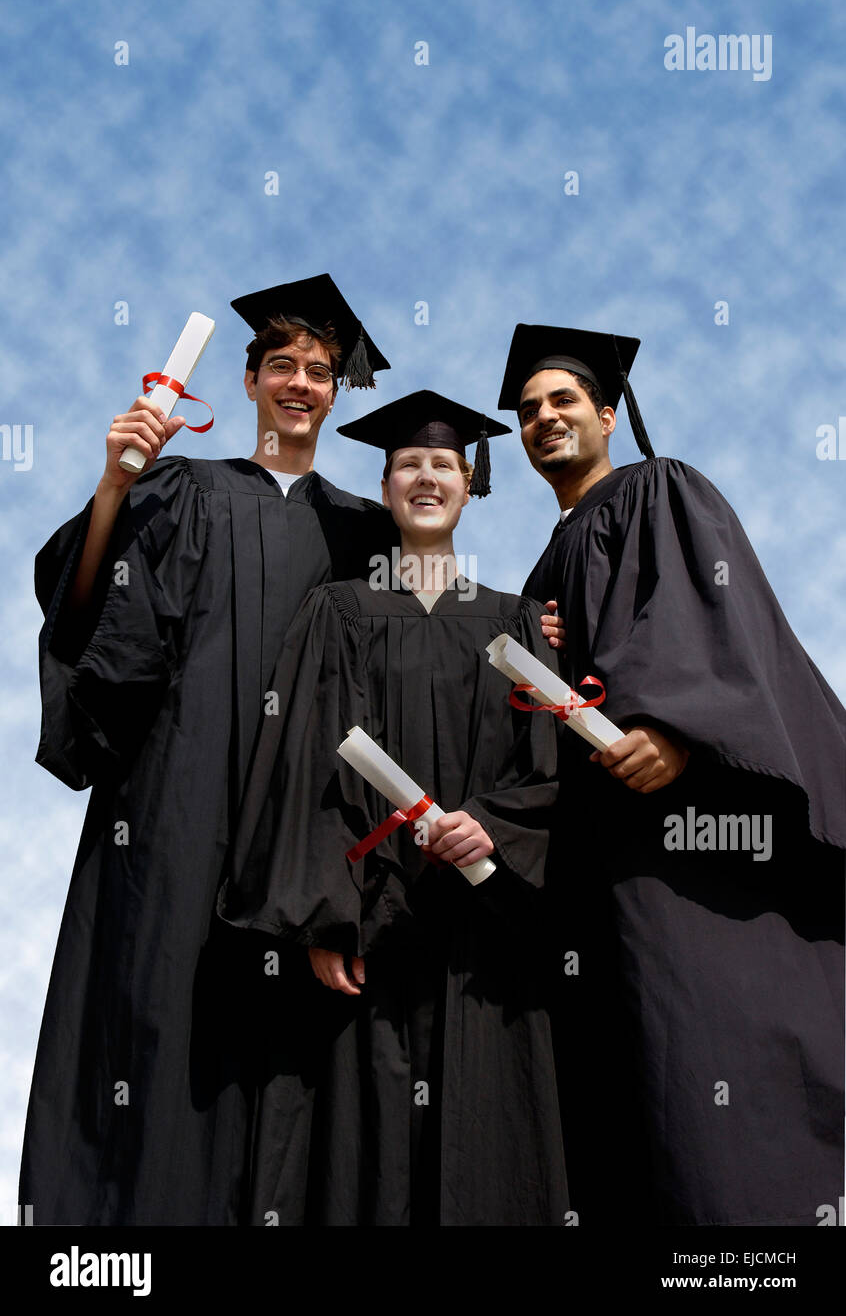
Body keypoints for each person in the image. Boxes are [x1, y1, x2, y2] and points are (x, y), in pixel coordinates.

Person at [19, 274, 400, 1225]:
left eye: (320, 369)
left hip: (300, 828)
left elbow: (416, 662)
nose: (302, 382)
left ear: (339, 389)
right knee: (157, 1014)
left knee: (292, 1048)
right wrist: (114, 480)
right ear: (248, 381)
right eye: (283, 365)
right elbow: (82, 606)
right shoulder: (183, 489)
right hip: (171, 805)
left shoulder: (363, 529)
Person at [486, 322, 846, 1226]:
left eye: (563, 401)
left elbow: (711, 616)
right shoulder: (544, 568)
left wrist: (677, 728)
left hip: (693, 835)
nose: (544, 419)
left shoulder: (657, 489)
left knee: (715, 1054)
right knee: (636, 1078)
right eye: (528, 411)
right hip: (604, 852)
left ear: (608, 413)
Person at [218, 391, 570, 1226]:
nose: (425, 477)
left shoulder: (517, 623)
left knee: (490, 1129)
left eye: (443, 464)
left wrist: (496, 823)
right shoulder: (336, 613)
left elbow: (553, 769)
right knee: (361, 1133)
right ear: (383, 489)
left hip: (487, 926)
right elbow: (300, 769)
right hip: (375, 920)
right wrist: (326, 920)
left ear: (469, 484)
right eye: (408, 464)